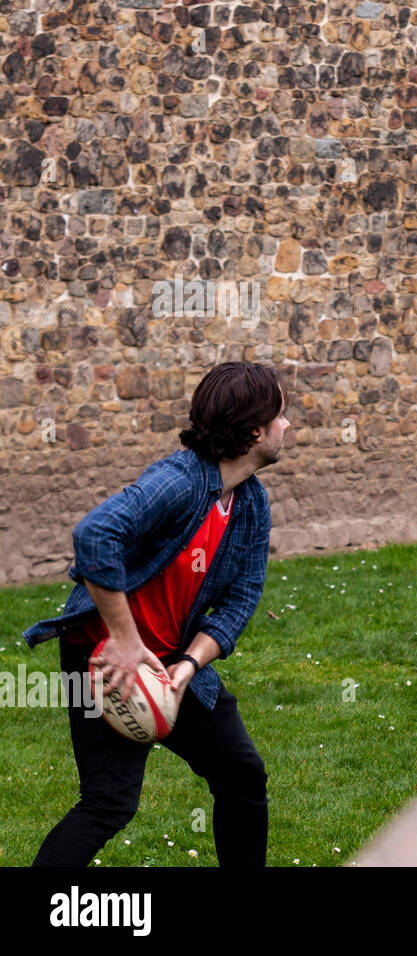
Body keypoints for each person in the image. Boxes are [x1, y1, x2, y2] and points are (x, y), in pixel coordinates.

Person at [23, 361, 289, 866]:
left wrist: (187, 668)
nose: (288, 426)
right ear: (256, 430)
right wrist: (124, 639)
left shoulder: (252, 503)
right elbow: (94, 535)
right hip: (102, 659)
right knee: (109, 802)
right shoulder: (180, 481)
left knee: (242, 775)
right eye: (281, 415)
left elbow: (241, 599)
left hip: (170, 663)